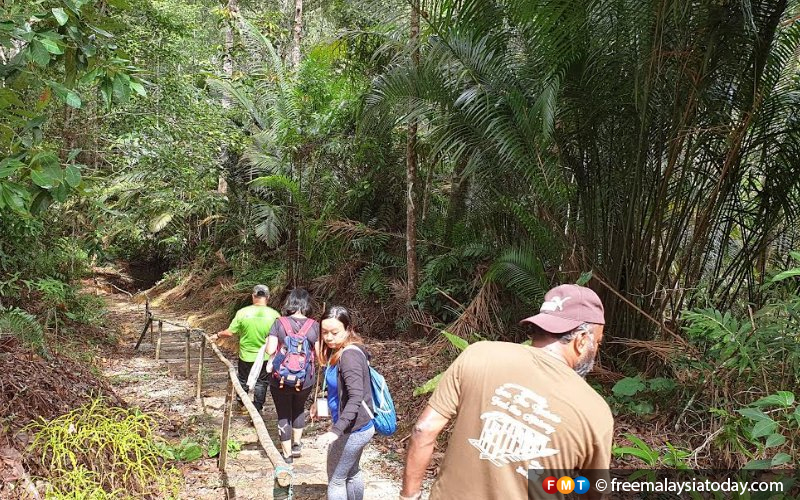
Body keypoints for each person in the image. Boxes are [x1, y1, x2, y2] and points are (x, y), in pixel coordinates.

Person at [400, 284, 613, 500]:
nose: (595, 352)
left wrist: (408, 497)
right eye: (597, 342)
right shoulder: (595, 410)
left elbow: (423, 430)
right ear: (582, 340)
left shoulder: (480, 354)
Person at [312, 306, 375, 500]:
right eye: (324, 332)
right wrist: (319, 403)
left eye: (334, 332)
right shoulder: (337, 351)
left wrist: (335, 431)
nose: (329, 337)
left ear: (348, 329)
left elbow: (356, 397)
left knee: (336, 479)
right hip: (360, 426)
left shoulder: (349, 356)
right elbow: (340, 388)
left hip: (353, 428)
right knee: (352, 472)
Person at [265, 288, 319, 463]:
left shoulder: (279, 323)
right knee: (298, 408)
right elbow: (320, 355)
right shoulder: (314, 326)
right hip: (305, 379)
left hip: (279, 377)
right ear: (306, 304)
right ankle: (297, 445)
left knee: (283, 413)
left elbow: (270, 350)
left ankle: (287, 455)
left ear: (290, 303)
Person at [214, 284, 280, 413]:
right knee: (262, 382)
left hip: (246, 355)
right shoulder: (275, 315)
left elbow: (229, 333)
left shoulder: (243, 313)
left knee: (243, 380)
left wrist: (217, 335)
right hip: (265, 356)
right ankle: (257, 408)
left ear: (253, 296)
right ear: (268, 297)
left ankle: (242, 404)